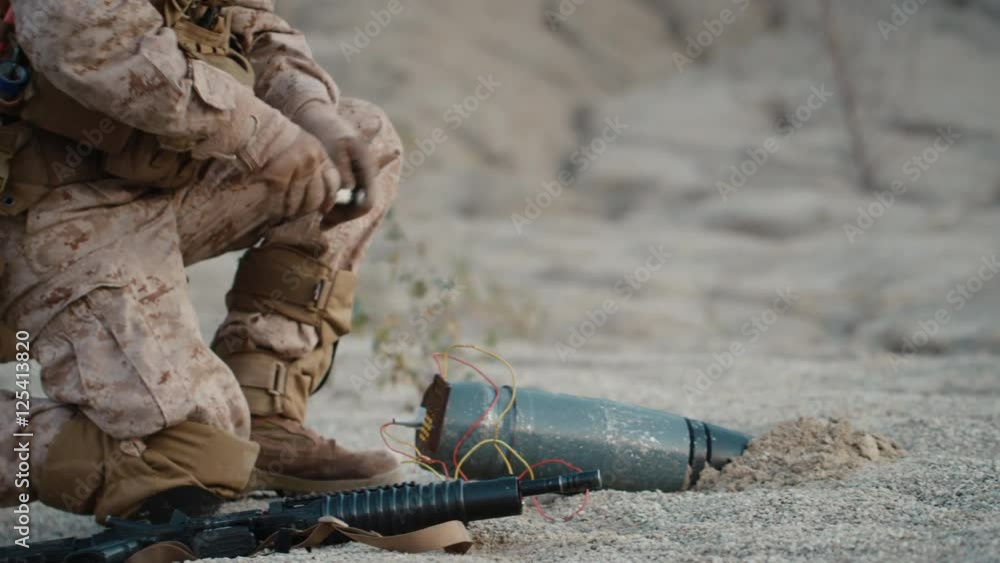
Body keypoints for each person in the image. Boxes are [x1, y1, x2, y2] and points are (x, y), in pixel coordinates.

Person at [0, 0, 403, 523]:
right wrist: (262, 133)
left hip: (138, 185)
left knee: (357, 135)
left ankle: (266, 420)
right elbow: (87, 38)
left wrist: (310, 112)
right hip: (42, 209)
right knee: (185, 460)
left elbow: (248, 22)